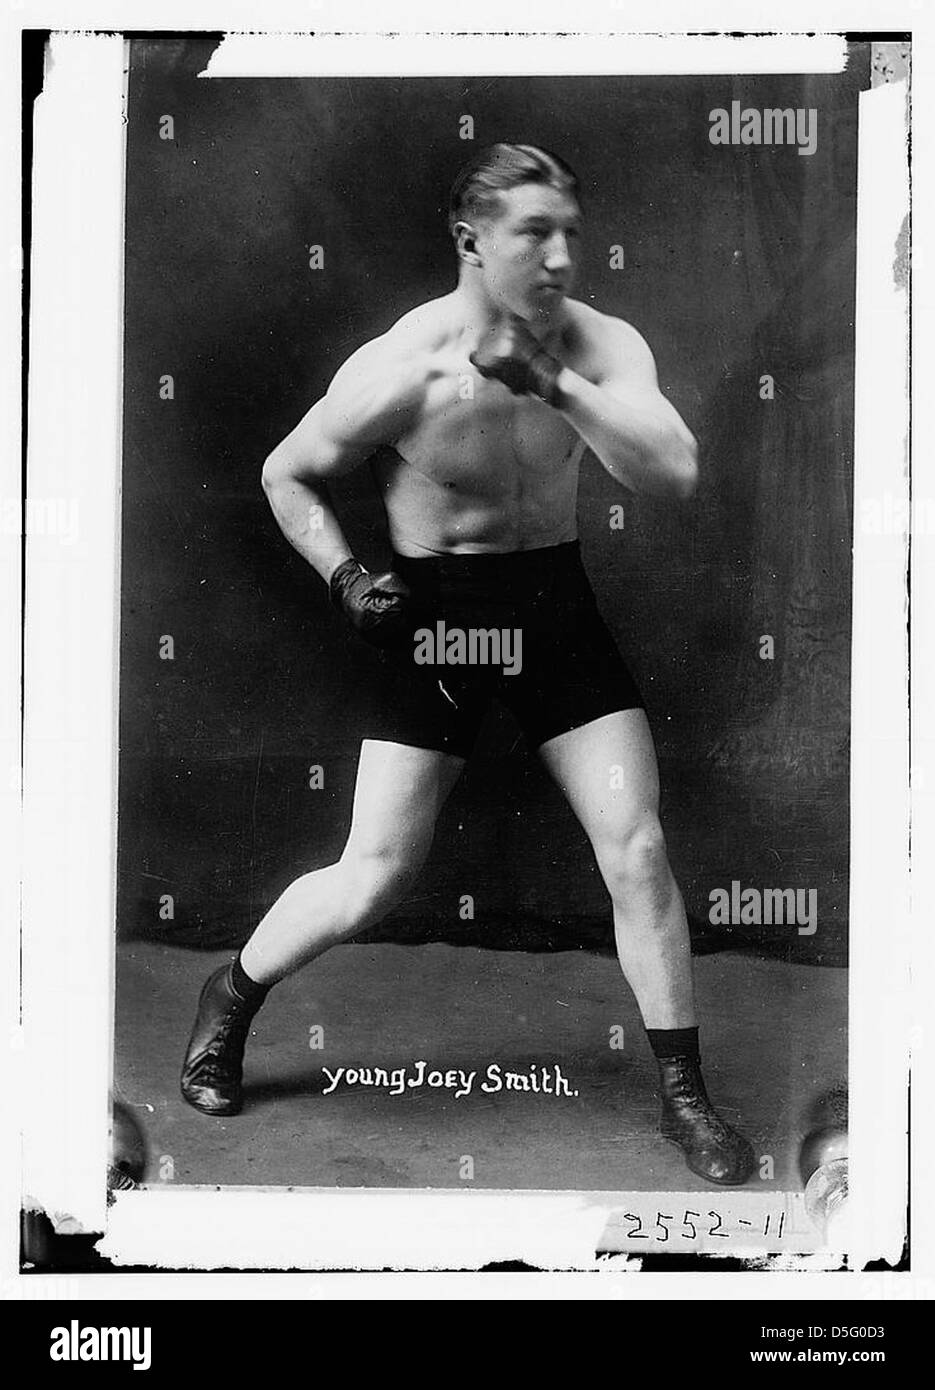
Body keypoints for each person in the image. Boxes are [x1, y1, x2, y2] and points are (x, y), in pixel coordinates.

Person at [181, 143, 755, 1186]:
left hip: (554, 608)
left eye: (570, 231)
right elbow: (287, 474)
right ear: (470, 242)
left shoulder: (598, 346)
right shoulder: (401, 368)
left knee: (635, 845)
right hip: (436, 622)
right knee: (376, 875)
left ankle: (682, 1092)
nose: (561, 255)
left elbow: (671, 471)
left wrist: (554, 382)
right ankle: (230, 997)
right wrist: (348, 577)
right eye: (535, 231)